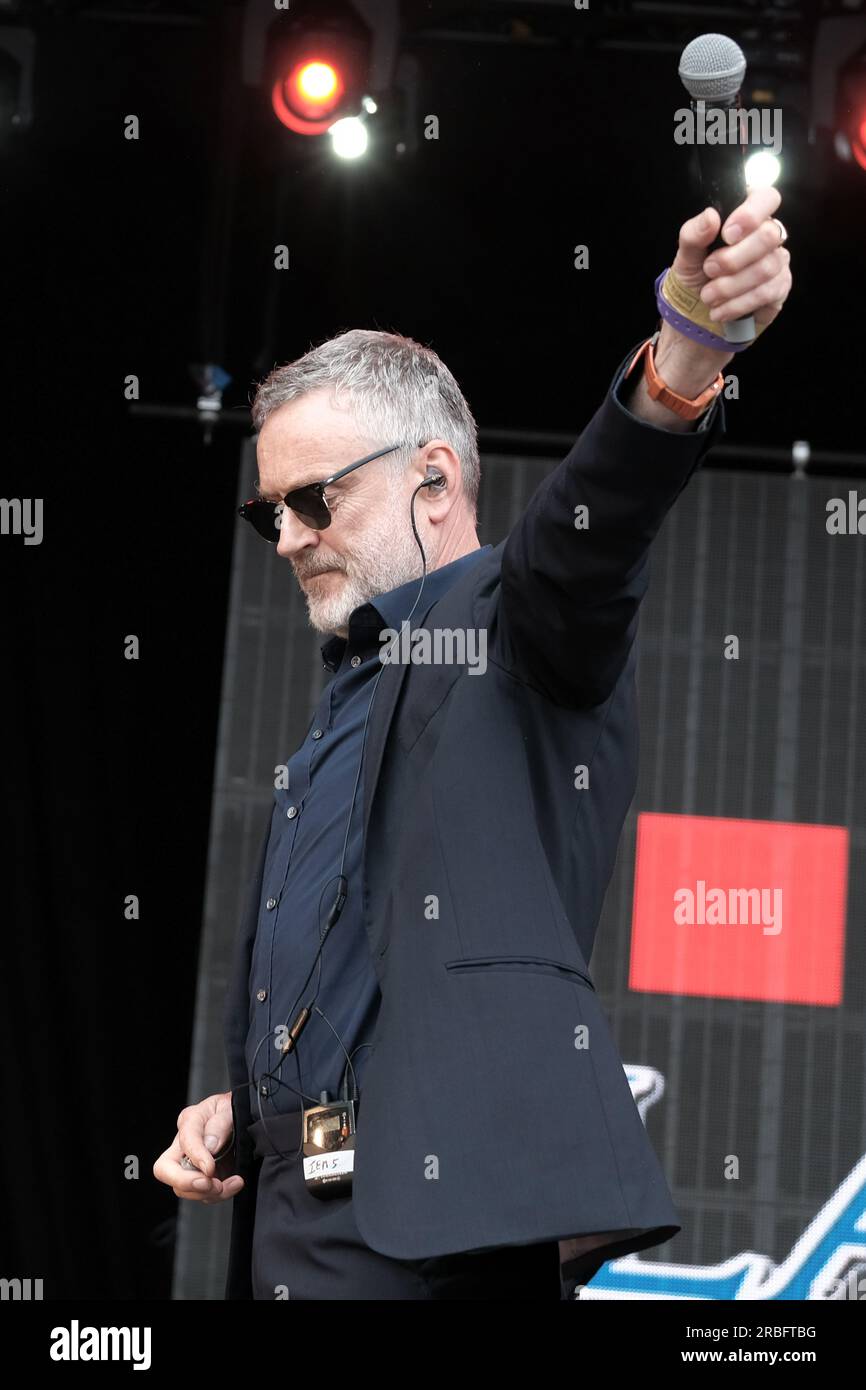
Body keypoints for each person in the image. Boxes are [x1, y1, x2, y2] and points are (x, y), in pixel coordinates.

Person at [154, 188, 792, 1300]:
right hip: (291, 1225)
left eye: (313, 499)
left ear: (434, 479)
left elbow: (593, 525)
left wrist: (680, 363)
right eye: (269, 515)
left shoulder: (517, 622)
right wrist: (251, 1111)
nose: (289, 536)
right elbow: (350, 994)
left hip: (435, 1240)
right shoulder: (345, 697)